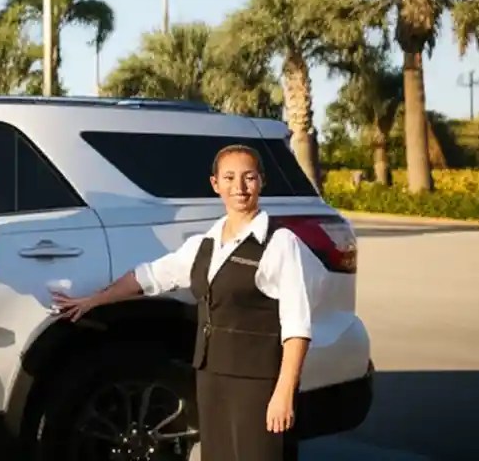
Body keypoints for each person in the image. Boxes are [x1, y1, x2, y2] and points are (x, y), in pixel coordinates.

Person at [51, 144, 327, 461]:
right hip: (212, 375)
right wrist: (95, 300)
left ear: (261, 182)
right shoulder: (204, 245)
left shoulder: (279, 243)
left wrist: (284, 392)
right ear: (215, 184)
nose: (239, 187)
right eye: (230, 177)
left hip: (257, 381)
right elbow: (148, 276)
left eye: (249, 177)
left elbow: (296, 326)